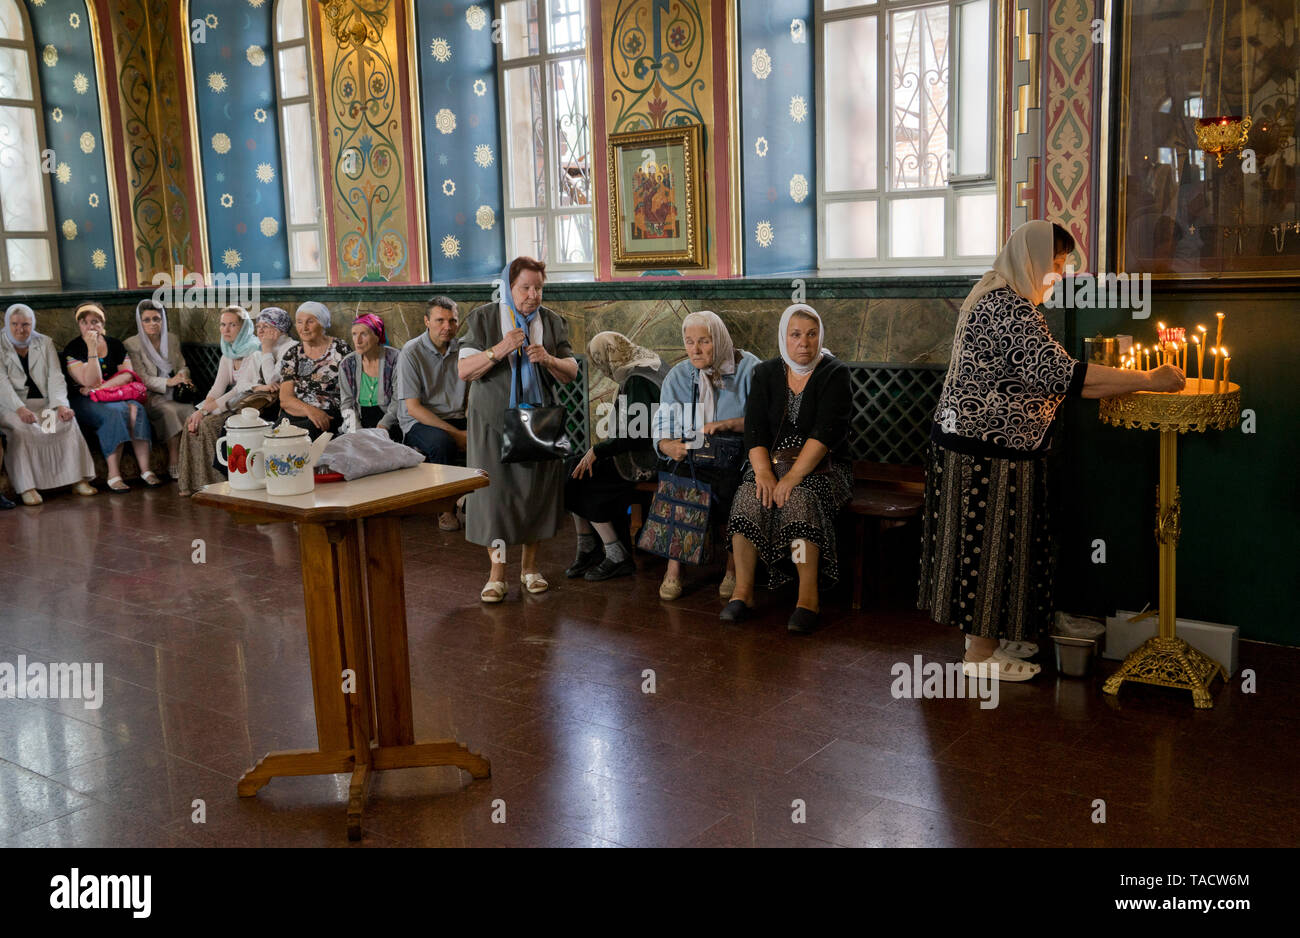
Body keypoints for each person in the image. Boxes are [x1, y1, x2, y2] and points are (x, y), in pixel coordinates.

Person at [918, 220, 1185, 681]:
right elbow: (1066, 377)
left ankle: (988, 641)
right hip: (985, 453)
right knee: (988, 549)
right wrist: (1149, 379)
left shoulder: (998, 293)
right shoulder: (1008, 308)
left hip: (978, 447)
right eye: (1055, 263)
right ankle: (979, 659)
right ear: (1031, 259)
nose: (1058, 273)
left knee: (987, 548)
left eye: (1062, 264)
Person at [722, 305, 853, 634]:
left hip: (823, 467)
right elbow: (754, 431)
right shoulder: (765, 373)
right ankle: (743, 592)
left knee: (799, 499)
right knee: (749, 496)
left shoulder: (834, 373)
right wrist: (764, 473)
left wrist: (792, 478)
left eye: (811, 334)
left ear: (820, 336)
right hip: (772, 462)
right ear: (784, 337)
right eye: (795, 335)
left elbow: (825, 434)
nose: (804, 343)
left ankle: (807, 598)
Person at [457, 257, 579, 602]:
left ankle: (530, 569)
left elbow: (571, 370)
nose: (532, 295)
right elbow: (464, 370)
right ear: (509, 287)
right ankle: (497, 575)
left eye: (538, 287)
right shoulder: (483, 318)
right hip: (492, 423)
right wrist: (500, 349)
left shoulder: (551, 322)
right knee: (495, 498)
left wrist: (549, 360)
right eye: (525, 287)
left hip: (539, 423)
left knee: (533, 495)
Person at [651, 311, 760, 600]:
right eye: (689, 342)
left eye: (704, 341)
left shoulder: (749, 369)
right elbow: (664, 423)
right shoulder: (679, 375)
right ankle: (674, 570)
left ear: (719, 339)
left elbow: (765, 422)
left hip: (740, 457)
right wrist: (666, 444)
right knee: (680, 479)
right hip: (696, 456)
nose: (695, 350)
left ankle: (733, 569)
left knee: (744, 488)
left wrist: (726, 424)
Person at [565, 332, 670, 581]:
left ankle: (615, 554)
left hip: (649, 458)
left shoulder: (637, 379)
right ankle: (590, 548)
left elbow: (638, 434)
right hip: (660, 452)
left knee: (578, 475)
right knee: (574, 467)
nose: (603, 371)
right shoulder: (651, 363)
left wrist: (598, 450)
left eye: (600, 364)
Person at [177, 306, 291, 496]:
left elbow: (239, 390)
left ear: (244, 327)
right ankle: (193, 484)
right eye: (223, 325)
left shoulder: (255, 349)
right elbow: (217, 388)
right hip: (231, 403)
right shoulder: (228, 353)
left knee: (208, 425)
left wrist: (207, 411)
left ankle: (217, 483)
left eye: (232, 325)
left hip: (247, 405)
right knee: (193, 421)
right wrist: (201, 410)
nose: (226, 330)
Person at [0, 304, 96, 504]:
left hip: (43, 406)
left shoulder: (44, 342)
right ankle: (27, 488)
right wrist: (19, 408)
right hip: (12, 407)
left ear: (32, 323)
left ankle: (77, 481)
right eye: (15, 324)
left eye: (25, 324)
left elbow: (55, 376)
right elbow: (1, 382)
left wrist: (60, 405)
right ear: (7, 323)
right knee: (24, 431)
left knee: (65, 424)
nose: (20, 329)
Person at [63, 301, 158, 492]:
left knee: (136, 409)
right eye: (85, 322)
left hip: (112, 394)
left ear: (103, 323)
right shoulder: (73, 349)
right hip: (83, 401)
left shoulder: (115, 344)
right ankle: (113, 474)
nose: (90, 326)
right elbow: (90, 380)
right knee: (117, 412)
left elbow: (128, 374)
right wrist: (91, 350)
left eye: (95, 321)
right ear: (79, 325)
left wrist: (102, 388)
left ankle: (146, 470)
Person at [395, 297, 469, 531]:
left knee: (490, 435)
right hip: (418, 420)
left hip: (455, 414)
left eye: (452, 321)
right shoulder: (411, 351)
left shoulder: (463, 349)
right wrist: (457, 434)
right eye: (440, 320)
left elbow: (471, 395)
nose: (447, 327)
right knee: (441, 443)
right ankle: (445, 507)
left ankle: (476, 502)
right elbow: (413, 407)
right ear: (427, 321)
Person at [124, 299, 194, 480]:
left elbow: (182, 365)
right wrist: (168, 382)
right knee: (169, 411)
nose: (152, 324)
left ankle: (195, 460)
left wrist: (182, 377)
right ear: (140, 322)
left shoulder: (171, 339)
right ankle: (174, 458)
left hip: (176, 393)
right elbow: (140, 377)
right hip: (150, 396)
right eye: (146, 320)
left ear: (163, 319)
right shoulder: (132, 344)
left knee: (190, 411)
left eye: (156, 319)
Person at [278, 301, 350, 439]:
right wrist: (310, 410)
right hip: (296, 413)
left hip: (328, 413)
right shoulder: (292, 354)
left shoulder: (340, 349)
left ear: (322, 323)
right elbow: (285, 399)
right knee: (273, 437)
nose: (303, 328)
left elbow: (350, 391)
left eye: (310, 322)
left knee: (299, 437)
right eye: (299, 322)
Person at [338, 313, 401, 437]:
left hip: (391, 421)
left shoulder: (395, 359)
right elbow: (347, 403)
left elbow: (399, 400)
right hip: (359, 422)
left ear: (378, 336)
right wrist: (356, 431)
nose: (358, 341)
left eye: (364, 334)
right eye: (354, 334)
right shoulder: (347, 364)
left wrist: (384, 426)